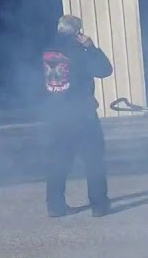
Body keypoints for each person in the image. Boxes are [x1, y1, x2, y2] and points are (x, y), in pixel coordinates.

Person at [41, 14, 114, 217]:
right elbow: (104, 70)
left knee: (57, 161)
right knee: (94, 160)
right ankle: (99, 205)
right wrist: (91, 48)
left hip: (56, 114)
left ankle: (55, 206)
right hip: (82, 115)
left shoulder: (45, 50)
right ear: (77, 32)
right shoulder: (79, 51)